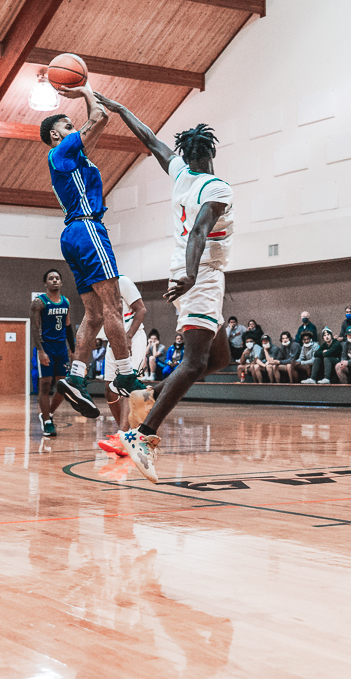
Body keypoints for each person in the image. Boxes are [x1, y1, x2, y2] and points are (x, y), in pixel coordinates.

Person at [96, 92, 234, 483]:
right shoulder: (217, 187)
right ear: (210, 153)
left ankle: (143, 396)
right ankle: (144, 435)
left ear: (186, 155)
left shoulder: (179, 174)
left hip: (197, 276)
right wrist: (191, 274)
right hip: (200, 274)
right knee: (193, 363)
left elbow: (150, 139)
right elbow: (200, 233)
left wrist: (123, 109)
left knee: (217, 359)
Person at [40, 85, 145, 419]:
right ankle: (126, 372)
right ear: (56, 134)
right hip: (87, 229)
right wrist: (86, 89)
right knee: (113, 305)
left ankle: (75, 378)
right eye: (69, 126)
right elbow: (99, 117)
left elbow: (96, 128)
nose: (76, 129)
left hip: (72, 234)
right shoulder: (60, 152)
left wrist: (92, 112)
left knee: (95, 313)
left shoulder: (73, 158)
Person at [98, 275, 148, 445]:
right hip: (113, 341)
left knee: (126, 385)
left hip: (132, 338)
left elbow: (141, 309)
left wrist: (129, 336)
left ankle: (123, 434)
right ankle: (128, 431)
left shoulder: (123, 282)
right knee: (109, 389)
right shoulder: (94, 288)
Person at [30, 268, 76, 437]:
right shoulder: (39, 302)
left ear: (61, 282)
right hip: (46, 347)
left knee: (64, 386)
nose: (55, 280)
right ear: (45, 283)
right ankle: (48, 422)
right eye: (51, 278)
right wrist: (40, 351)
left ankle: (46, 414)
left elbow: (68, 326)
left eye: (57, 278)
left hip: (61, 348)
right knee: (45, 384)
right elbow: (35, 328)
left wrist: (72, 348)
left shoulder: (66, 301)